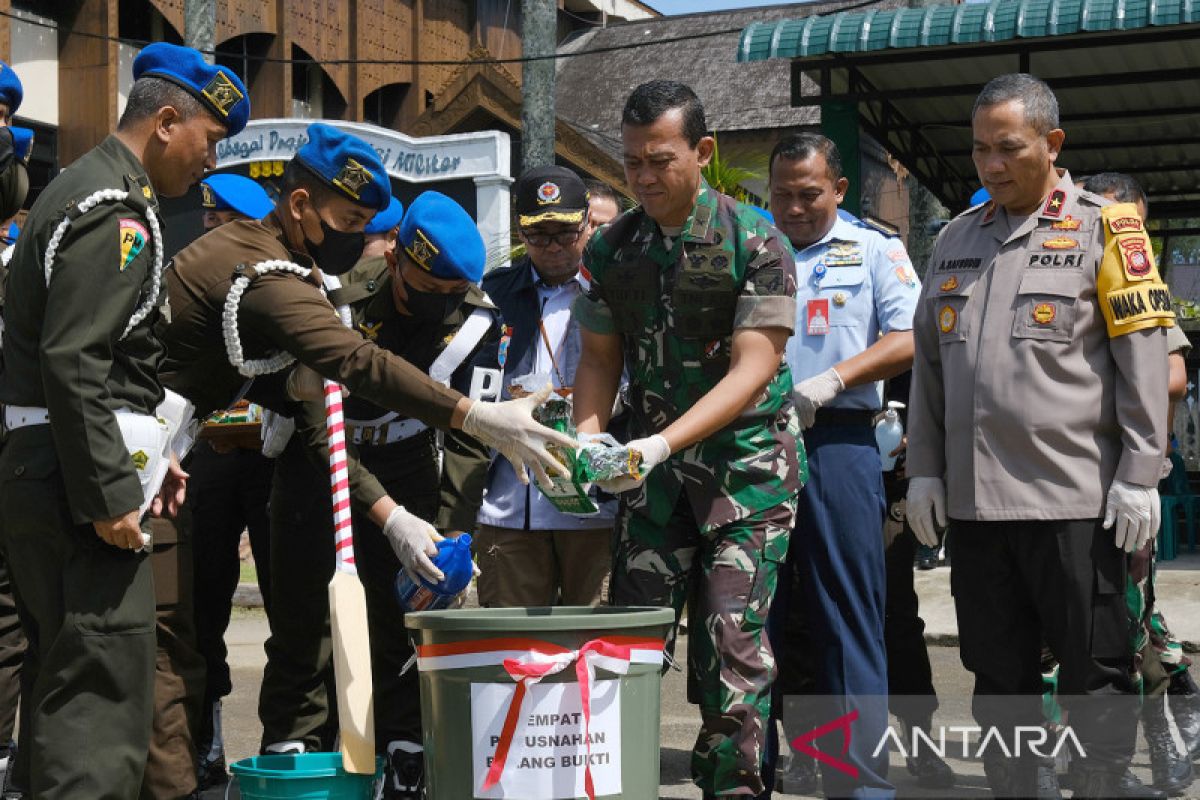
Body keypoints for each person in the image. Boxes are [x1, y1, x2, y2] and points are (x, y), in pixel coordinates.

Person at [906, 73, 1173, 797]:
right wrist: (924, 469)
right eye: (980, 150)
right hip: (978, 510)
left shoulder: (1108, 229)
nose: (992, 166)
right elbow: (929, 365)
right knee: (998, 681)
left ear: (1052, 144)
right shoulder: (955, 239)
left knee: (1097, 678)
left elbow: (1145, 360)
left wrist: (1141, 473)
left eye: (1009, 148)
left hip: (1076, 505)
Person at [0, 43, 247, 797]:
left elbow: (101, 369)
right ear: (168, 122)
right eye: (209, 141)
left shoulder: (77, 188)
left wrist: (147, 454)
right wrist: (110, 491)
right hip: (77, 492)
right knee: (100, 699)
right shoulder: (117, 212)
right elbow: (75, 359)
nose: (209, 163)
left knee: (63, 684)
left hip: (50, 469)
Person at [571, 80, 803, 798]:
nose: (643, 177)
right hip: (654, 486)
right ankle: (618, 785)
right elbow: (600, 359)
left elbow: (755, 364)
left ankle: (732, 789)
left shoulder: (755, 238)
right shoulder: (613, 248)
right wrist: (586, 440)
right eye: (632, 161)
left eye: (660, 160)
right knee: (625, 650)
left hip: (747, 477)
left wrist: (662, 442)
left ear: (703, 152)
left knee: (731, 654)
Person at [266, 191, 498, 798]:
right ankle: (296, 755)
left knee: (404, 623)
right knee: (306, 624)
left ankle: (405, 757)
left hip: (409, 464)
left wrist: (450, 530)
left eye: (453, 294)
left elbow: (473, 435)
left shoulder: (476, 320)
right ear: (396, 257)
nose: (441, 306)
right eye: (429, 289)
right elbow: (319, 428)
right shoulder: (333, 295)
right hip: (319, 464)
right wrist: (387, 517)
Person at [759, 131, 920, 798]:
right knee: (751, 618)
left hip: (840, 443)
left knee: (849, 615)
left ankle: (861, 783)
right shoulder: (749, 248)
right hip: (754, 448)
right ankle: (750, 773)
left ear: (839, 189)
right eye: (783, 195)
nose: (795, 208)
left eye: (810, 194)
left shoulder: (876, 250)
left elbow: (909, 337)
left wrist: (834, 380)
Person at [1083, 170, 1193, 797]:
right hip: (1071, 479)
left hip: (1126, 477)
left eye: (1133, 224)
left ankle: (1160, 737)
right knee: (1094, 625)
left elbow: (1172, 376)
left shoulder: (1137, 280)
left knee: (1128, 616)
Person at [475, 165, 617, 608]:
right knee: (511, 654)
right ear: (521, 231)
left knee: (593, 654)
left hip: (596, 507)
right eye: (539, 236)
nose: (553, 247)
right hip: (510, 505)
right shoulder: (493, 293)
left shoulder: (615, 290)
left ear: (587, 224)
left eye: (565, 233)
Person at [188, 171, 278, 790]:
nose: (211, 233)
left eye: (224, 224)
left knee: (293, 608)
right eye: (208, 221)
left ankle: (284, 747)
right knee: (199, 608)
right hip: (208, 461)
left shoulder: (281, 279)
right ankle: (204, 743)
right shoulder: (191, 279)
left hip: (272, 461)